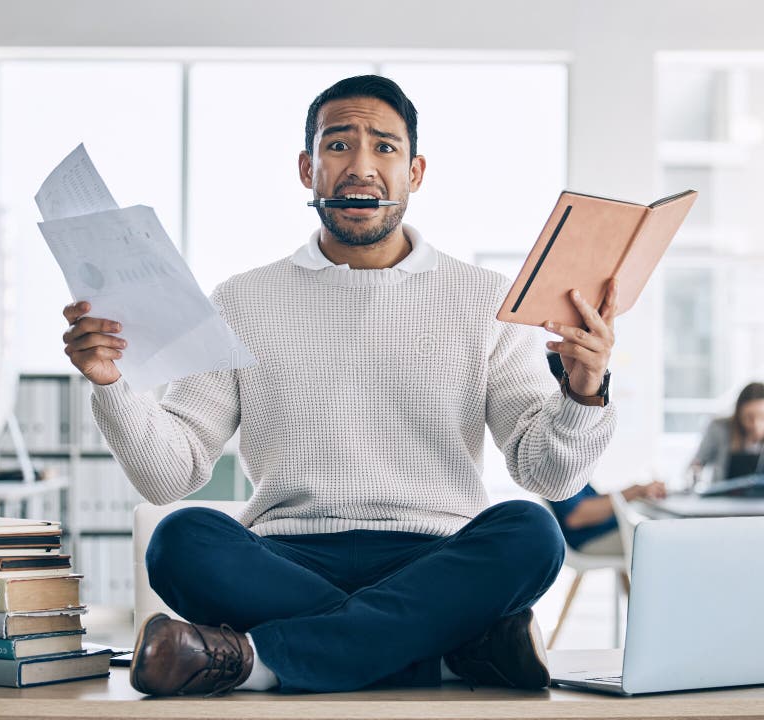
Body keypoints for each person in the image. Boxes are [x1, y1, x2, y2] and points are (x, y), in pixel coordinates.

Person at [61, 75, 618, 696]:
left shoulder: (486, 300)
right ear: (307, 168)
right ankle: (447, 653)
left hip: (434, 557)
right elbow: (172, 474)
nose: (360, 167)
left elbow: (549, 477)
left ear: (416, 171)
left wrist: (582, 394)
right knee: (179, 540)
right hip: (286, 557)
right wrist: (113, 386)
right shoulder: (243, 300)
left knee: (533, 532)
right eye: (337, 146)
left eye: (384, 148)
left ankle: (256, 661)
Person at [544, 351, 665, 555]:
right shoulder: (553, 448)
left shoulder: (568, 443)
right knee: (668, 541)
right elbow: (577, 516)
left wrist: (637, 490)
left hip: (603, 531)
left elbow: (592, 502)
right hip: (587, 540)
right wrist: (635, 491)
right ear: (559, 382)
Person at [690, 382, 764, 485]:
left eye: (762, 416)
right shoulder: (719, 428)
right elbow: (697, 463)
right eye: (749, 417)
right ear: (738, 414)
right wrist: (694, 474)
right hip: (723, 499)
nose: (756, 425)